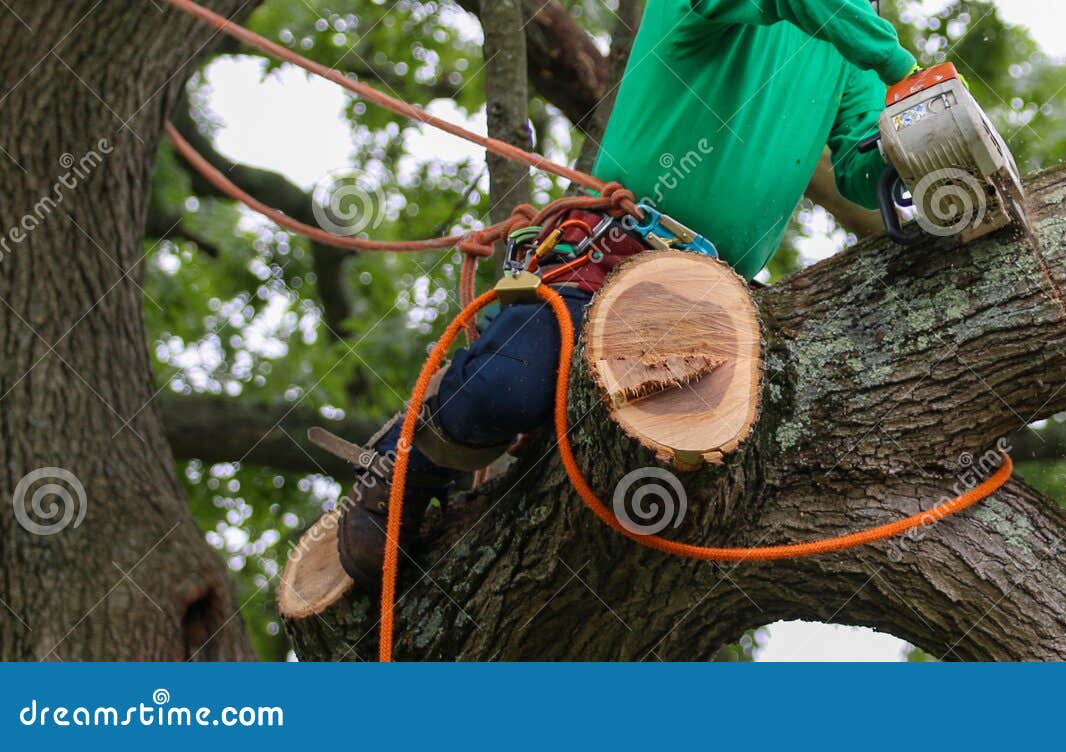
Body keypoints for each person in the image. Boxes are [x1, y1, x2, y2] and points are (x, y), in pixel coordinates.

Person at [335, 0, 919, 589]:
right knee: (506, 388)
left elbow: (859, 164)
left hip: (718, 297)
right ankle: (401, 468)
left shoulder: (853, 51)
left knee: (711, 481)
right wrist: (900, 64)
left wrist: (915, 148)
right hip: (614, 254)